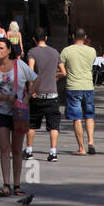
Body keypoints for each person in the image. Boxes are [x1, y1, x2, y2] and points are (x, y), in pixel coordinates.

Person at [0, 36, 37, 198]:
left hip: (19, 113)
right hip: (1, 112)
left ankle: (17, 184)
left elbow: (36, 79)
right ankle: (6, 184)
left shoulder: (19, 65)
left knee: (16, 150)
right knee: (4, 149)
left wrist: (27, 97)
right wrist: (5, 98)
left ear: (9, 50)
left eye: (1, 48)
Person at [59, 27, 98, 155]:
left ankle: (81, 148)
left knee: (77, 118)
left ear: (72, 36)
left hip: (73, 87)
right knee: (89, 115)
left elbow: (61, 66)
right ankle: (91, 141)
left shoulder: (66, 51)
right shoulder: (92, 51)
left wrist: (65, 72)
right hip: (88, 86)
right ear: (85, 37)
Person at [25, 30, 61, 161]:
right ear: (46, 37)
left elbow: (30, 71)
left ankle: (29, 151)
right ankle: (53, 152)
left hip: (38, 94)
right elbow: (63, 71)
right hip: (52, 94)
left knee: (32, 123)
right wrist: (54, 76)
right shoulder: (55, 52)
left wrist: (31, 89)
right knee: (54, 125)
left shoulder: (32, 52)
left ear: (34, 39)